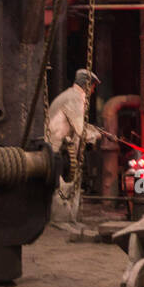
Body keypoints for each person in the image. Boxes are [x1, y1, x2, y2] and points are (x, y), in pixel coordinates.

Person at [45, 68, 101, 224]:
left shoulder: (68, 95)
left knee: (62, 184)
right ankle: (62, 220)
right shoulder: (75, 98)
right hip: (56, 149)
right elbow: (80, 129)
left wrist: (94, 129)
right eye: (93, 86)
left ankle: (65, 218)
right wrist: (96, 135)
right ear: (87, 85)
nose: (93, 90)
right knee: (63, 186)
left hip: (56, 147)